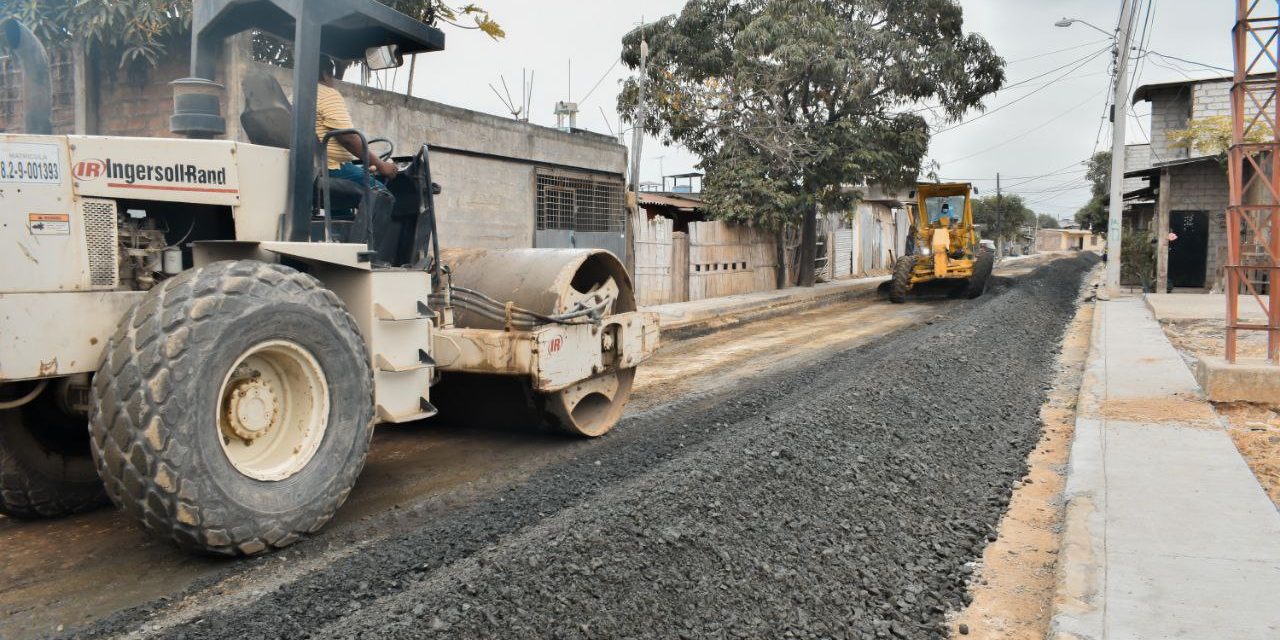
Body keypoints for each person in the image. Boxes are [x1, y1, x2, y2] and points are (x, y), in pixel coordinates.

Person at [316, 55, 397, 245]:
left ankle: (343, 245)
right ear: (326, 74)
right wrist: (381, 165)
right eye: (332, 75)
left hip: (314, 170)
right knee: (383, 197)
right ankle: (372, 253)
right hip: (333, 168)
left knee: (341, 212)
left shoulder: (295, 97)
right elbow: (348, 138)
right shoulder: (327, 94)